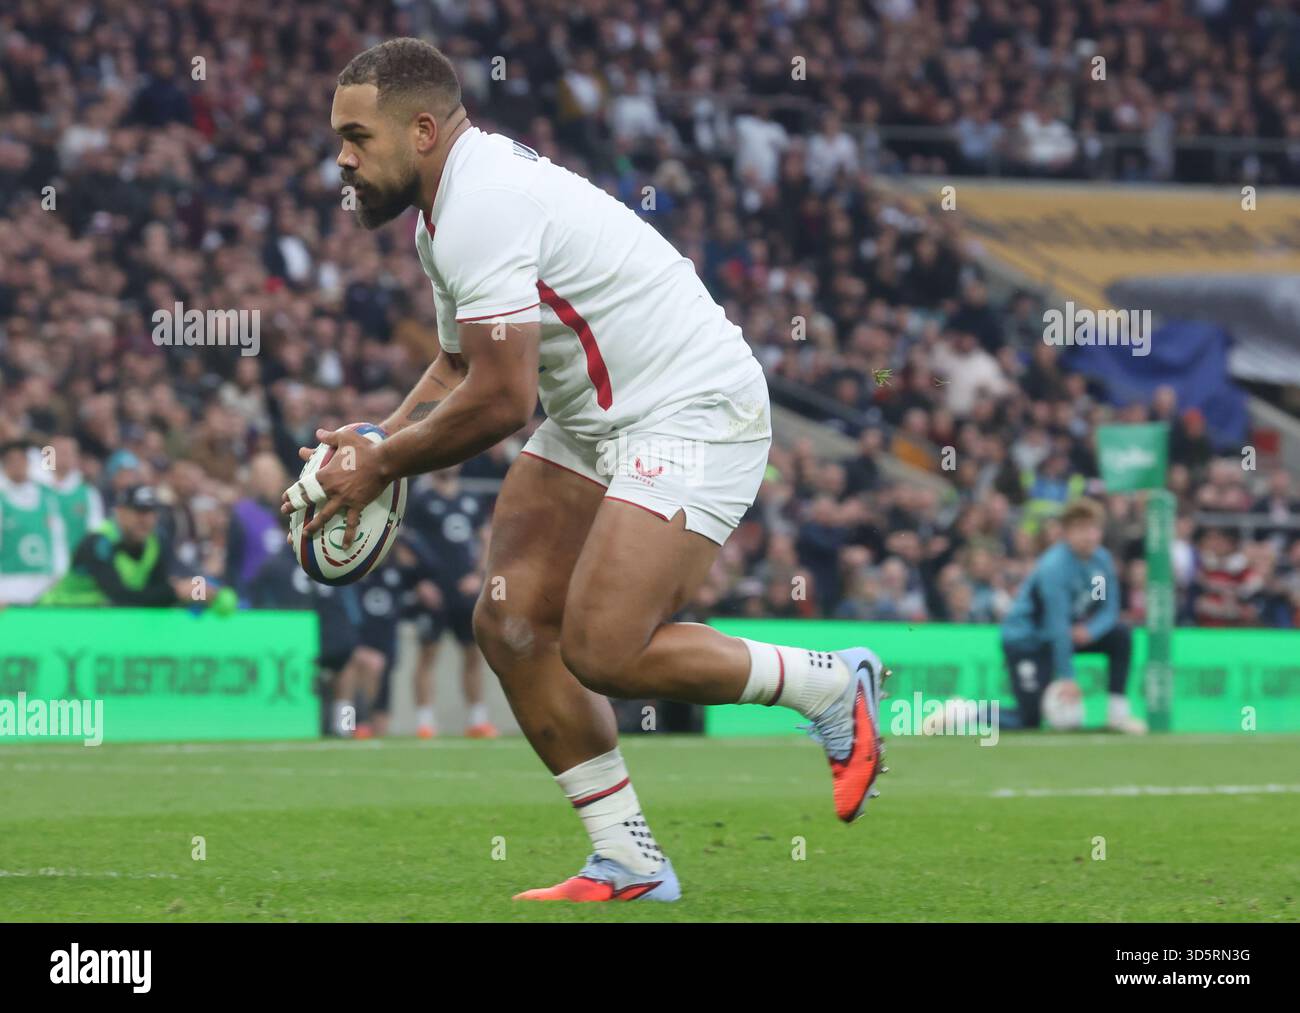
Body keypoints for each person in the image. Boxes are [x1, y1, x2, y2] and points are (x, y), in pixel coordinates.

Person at [282, 38, 888, 903]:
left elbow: (501, 401)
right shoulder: (445, 212)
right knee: (511, 623)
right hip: (599, 418)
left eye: (356, 136)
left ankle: (829, 684)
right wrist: (379, 438)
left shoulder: (482, 203)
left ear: (421, 130)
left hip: (691, 407)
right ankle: (628, 857)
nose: (342, 158)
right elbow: (460, 365)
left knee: (606, 646)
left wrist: (382, 464)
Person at [1000, 498, 1146, 733]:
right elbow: (1056, 624)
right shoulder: (1055, 567)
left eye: (1093, 528)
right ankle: (963, 712)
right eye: (1080, 529)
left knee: (1119, 635)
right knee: (1028, 719)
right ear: (1066, 533)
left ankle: (1117, 715)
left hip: (1066, 635)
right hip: (1029, 641)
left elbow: (1104, 607)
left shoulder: (1099, 564)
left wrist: (1092, 630)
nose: (1089, 536)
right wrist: (1068, 677)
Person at [404, 467, 495, 738]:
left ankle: (478, 719)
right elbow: (404, 542)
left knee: (473, 653)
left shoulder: (472, 498)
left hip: (465, 589)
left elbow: (486, 538)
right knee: (427, 653)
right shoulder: (420, 499)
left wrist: (478, 576)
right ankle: (425, 722)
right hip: (434, 590)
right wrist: (420, 581)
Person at [0, 438, 68, 604]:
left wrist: (61, 573)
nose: (16, 465)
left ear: (27, 462)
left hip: (44, 581)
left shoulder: (48, 497)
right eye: (11, 461)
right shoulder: (2, 500)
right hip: (9, 582)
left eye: (20, 460)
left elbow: (58, 539)